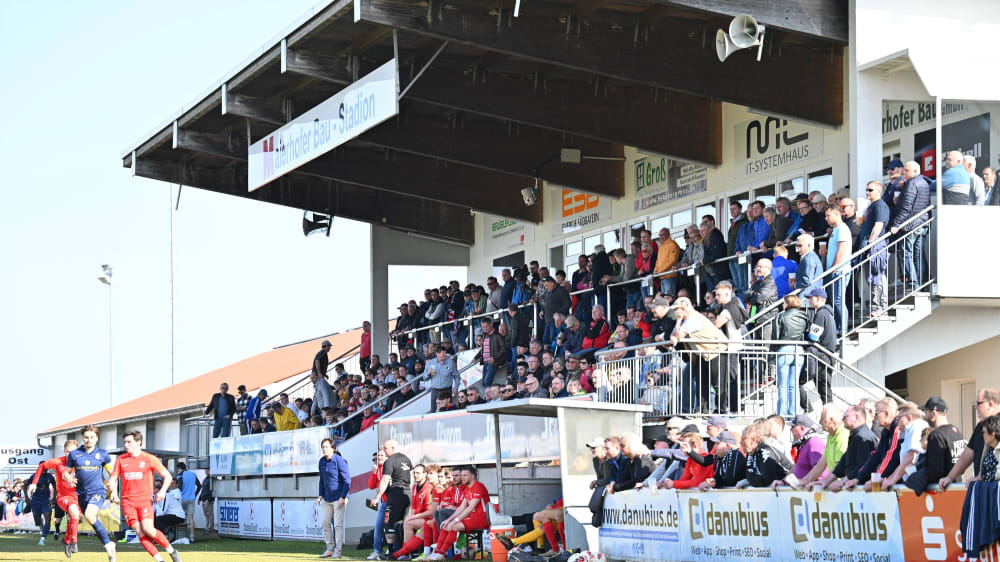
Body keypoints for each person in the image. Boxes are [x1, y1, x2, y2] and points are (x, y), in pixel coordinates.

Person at [107, 430, 181, 562]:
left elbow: (168, 476)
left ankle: (172, 552)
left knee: (149, 529)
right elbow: (113, 479)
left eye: (129, 442)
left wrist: (163, 491)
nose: (126, 445)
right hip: (127, 502)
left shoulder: (149, 458)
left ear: (138, 443)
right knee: (139, 531)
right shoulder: (121, 459)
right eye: (125, 442)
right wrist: (113, 492)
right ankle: (160, 559)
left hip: (144, 501)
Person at [64, 425, 116, 560]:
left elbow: (113, 474)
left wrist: (114, 491)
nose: (89, 440)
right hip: (82, 494)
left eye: (92, 437)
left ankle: (109, 545)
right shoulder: (74, 454)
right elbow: (66, 472)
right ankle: (109, 545)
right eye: (86, 437)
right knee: (92, 519)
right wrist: (69, 478)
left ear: (97, 438)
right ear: (82, 438)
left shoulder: (103, 454)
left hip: (98, 491)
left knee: (89, 514)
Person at [425, 467, 490, 560]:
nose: (463, 477)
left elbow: (470, 508)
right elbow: (461, 508)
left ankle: (441, 554)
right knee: (446, 525)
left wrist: (455, 521)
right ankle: (436, 552)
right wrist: (448, 520)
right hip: (472, 518)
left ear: (473, 476)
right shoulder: (468, 489)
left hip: (482, 518)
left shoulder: (478, 486)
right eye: (462, 475)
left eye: (465, 475)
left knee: (454, 526)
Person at [941, 389, 1000, 489]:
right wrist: (950, 477)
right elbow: (967, 454)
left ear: (990, 404)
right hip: (985, 490)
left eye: (978, 403)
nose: (975, 407)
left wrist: (980, 477)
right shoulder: (981, 426)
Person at [903, 397, 964, 493]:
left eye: (926, 412)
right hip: (957, 486)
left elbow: (935, 471)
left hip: (941, 490)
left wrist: (916, 478)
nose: (924, 416)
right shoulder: (956, 431)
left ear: (934, 413)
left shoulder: (936, 435)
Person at [891, 162, 932, 292]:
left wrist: (896, 224)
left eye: (906, 171)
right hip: (923, 223)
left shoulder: (912, 184)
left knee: (906, 253)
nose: (904, 173)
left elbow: (907, 207)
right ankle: (920, 283)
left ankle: (913, 284)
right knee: (917, 255)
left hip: (911, 225)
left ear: (915, 171)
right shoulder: (923, 182)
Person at [815, 406, 877, 490]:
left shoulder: (862, 437)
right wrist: (825, 481)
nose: (842, 419)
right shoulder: (855, 435)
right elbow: (843, 463)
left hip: (862, 490)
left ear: (856, 417)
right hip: (855, 488)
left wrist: (844, 480)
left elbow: (864, 466)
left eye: (845, 416)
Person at [711, 281, 746, 414]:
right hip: (731, 348)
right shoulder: (728, 306)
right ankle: (729, 407)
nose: (716, 297)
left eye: (719, 295)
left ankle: (732, 408)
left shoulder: (729, 308)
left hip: (731, 349)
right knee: (728, 379)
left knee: (730, 379)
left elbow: (717, 325)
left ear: (728, 293)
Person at [797, 405, 849, 489]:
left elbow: (839, 465)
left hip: (842, 487)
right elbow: (821, 464)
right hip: (836, 486)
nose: (819, 422)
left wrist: (824, 481)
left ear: (831, 420)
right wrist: (805, 480)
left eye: (822, 419)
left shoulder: (842, 434)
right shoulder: (831, 435)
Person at [375, 440, 412, 556]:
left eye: (385, 448)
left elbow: (385, 480)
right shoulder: (407, 459)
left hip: (395, 495)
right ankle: (403, 551)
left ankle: (391, 552)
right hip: (407, 495)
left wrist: (377, 497)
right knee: (403, 523)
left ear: (392, 448)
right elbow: (411, 478)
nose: (384, 451)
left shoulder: (389, 461)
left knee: (389, 523)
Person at [801, 286, 836, 408]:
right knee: (825, 391)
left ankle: (809, 411)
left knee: (822, 390)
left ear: (819, 298)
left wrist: (805, 335)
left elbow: (814, 337)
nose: (809, 300)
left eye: (811, 298)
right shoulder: (827, 313)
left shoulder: (821, 314)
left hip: (822, 356)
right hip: (826, 355)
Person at [774, 294, 808, 417]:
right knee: (793, 385)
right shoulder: (804, 316)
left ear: (788, 303)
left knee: (782, 385)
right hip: (799, 349)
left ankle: (781, 414)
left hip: (784, 349)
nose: (783, 305)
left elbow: (775, 337)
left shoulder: (781, 316)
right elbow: (807, 332)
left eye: (784, 303)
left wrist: (771, 356)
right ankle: (793, 413)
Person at [859, 181, 890, 314]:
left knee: (877, 275)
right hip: (869, 244)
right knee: (871, 277)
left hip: (876, 245)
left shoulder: (880, 205)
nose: (867, 192)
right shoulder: (871, 206)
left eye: (870, 190)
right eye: (866, 189)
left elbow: (878, 225)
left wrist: (870, 243)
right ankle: (875, 305)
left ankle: (880, 306)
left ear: (878, 191)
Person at [495, 497, 565, 555]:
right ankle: (540, 548)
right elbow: (560, 500)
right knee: (536, 516)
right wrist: (553, 506)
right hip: (558, 508)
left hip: (566, 511)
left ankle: (562, 547)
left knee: (531, 518)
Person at [317, 438, 350, 559]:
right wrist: (320, 494)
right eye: (323, 447)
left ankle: (338, 551)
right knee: (325, 523)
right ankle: (330, 548)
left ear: (333, 448)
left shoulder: (340, 460)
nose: (324, 449)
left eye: (326, 447)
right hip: (326, 498)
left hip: (339, 498)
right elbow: (322, 480)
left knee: (337, 525)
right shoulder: (321, 461)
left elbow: (347, 480)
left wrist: (343, 497)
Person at [820, 206, 852, 333]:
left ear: (837, 215)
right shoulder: (835, 230)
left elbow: (842, 250)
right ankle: (839, 328)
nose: (826, 218)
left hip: (839, 271)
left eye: (828, 215)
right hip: (834, 270)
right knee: (835, 300)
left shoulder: (842, 229)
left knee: (839, 300)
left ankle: (842, 329)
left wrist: (833, 268)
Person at [741, 419, 793, 488]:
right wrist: (749, 479)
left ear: (753, 440)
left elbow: (767, 480)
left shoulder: (765, 451)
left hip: (788, 487)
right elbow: (749, 474)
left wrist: (748, 481)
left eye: (743, 439)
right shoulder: (751, 453)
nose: (741, 442)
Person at [27, 460, 57, 545]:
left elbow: (55, 487)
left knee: (48, 519)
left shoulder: (50, 477)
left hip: (46, 501)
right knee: (37, 521)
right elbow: (25, 485)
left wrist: (54, 498)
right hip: (35, 501)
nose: (45, 468)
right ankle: (42, 529)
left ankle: (43, 538)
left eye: (46, 467)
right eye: (42, 467)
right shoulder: (34, 476)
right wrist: (26, 497)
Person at [475, 318, 506, 388]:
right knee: (483, 382)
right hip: (485, 362)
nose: (485, 329)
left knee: (487, 381)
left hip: (493, 362)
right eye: (483, 327)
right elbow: (483, 349)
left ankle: (489, 397)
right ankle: (488, 397)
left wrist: (494, 358)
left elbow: (503, 349)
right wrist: (476, 357)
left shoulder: (497, 335)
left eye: (486, 326)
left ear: (491, 325)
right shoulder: (485, 335)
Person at [176, 462, 201, 543]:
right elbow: (199, 485)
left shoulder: (180, 475)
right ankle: (192, 536)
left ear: (179, 468)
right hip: (191, 499)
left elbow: (179, 487)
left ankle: (182, 536)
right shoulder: (193, 474)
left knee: (181, 517)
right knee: (190, 518)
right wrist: (195, 494)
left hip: (183, 499)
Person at [654, 228, 682, 296]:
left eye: (663, 235)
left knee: (669, 296)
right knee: (664, 297)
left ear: (668, 235)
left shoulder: (673, 244)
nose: (661, 237)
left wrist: (659, 271)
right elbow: (658, 260)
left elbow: (672, 260)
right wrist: (655, 270)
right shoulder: (661, 246)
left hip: (670, 275)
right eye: (660, 235)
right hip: (662, 276)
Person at [197, 466, 214, 534]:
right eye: (205, 470)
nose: (206, 471)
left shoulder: (212, 479)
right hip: (204, 498)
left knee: (210, 514)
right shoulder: (205, 479)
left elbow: (212, 490)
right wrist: (200, 498)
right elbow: (203, 489)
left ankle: (210, 528)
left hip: (208, 499)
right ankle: (207, 527)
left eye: (207, 470)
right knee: (206, 514)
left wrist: (209, 499)